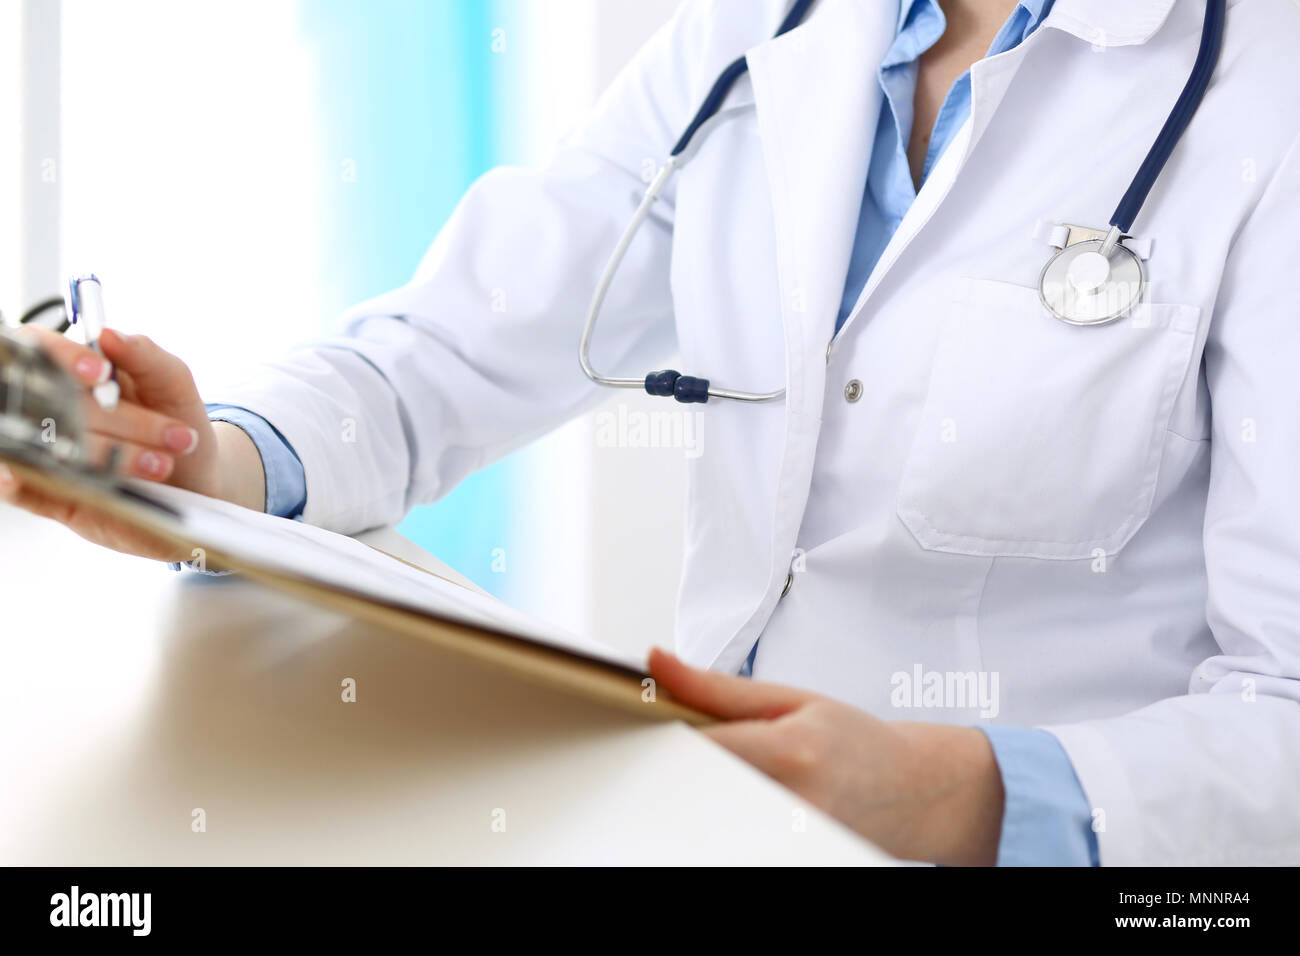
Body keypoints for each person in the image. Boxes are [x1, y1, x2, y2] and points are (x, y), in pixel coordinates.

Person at [4, 0, 1299, 866]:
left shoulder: (1261, 94)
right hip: (717, 830)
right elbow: (454, 347)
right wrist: (211, 458)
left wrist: (953, 791)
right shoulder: (759, 35)